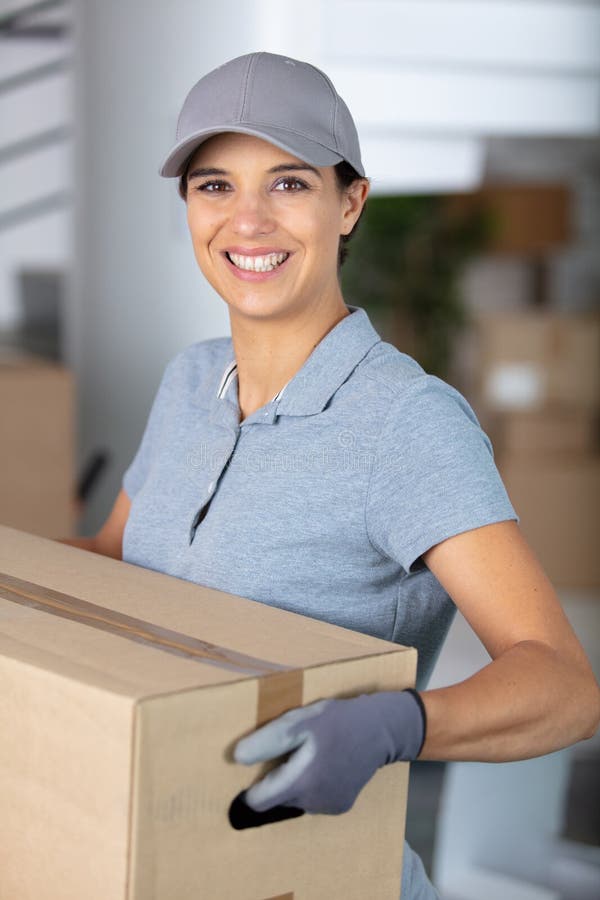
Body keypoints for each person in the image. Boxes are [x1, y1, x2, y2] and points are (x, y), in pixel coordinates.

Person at [64, 52, 600, 898]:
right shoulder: (189, 381)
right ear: (187, 206)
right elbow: (112, 558)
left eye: (287, 184)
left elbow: (565, 685)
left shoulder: (406, 423)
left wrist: (402, 724)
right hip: (155, 860)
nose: (248, 221)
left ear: (348, 202)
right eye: (215, 186)